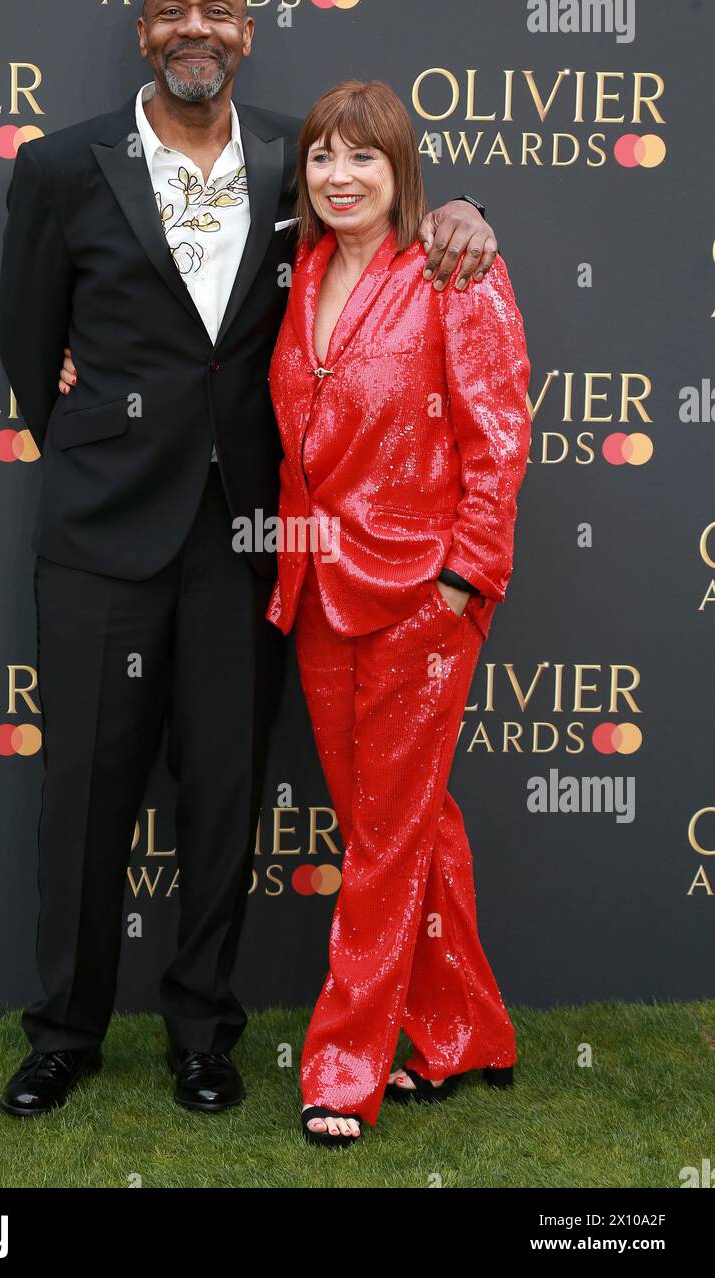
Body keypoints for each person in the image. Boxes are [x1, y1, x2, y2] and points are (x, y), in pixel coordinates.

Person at [0, 0, 503, 1119]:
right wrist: (97, 439)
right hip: (102, 537)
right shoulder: (64, 166)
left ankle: (201, 1034)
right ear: (142, 33)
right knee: (85, 793)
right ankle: (66, 1032)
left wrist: (469, 209)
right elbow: (29, 354)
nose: (196, 28)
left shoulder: (296, 157)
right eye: (172, 10)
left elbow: (391, 217)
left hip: (252, 541)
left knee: (225, 792)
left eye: (217, 11)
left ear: (247, 32)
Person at [264, 79, 531, 1146]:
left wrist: (465, 579)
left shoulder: (457, 270)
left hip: (425, 595)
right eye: (324, 155)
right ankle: (466, 1028)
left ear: (400, 171)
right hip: (319, 588)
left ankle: (343, 1063)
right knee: (411, 822)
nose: (339, 174)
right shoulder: (304, 270)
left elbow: (498, 437)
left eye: (363, 158)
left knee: (380, 836)